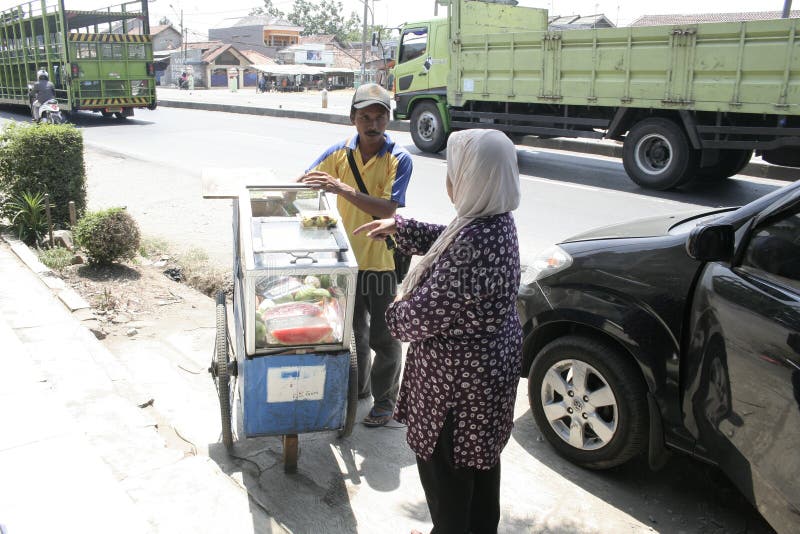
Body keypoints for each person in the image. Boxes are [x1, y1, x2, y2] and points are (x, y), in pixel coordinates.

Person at [354, 129, 522, 533]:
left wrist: (390, 309)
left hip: (456, 391)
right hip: (485, 382)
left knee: (447, 480)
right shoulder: (493, 220)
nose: (449, 181)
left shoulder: (475, 243)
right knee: (478, 469)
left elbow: (414, 320)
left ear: (472, 178)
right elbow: (448, 236)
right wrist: (402, 227)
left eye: (455, 171)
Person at [300, 83, 412, 427]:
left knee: (384, 336)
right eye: (365, 116)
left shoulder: (399, 158)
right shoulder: (338, 153)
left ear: (388, 120)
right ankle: (360, 390)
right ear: (353, 118)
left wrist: (342, 189)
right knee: (353, 335)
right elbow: (304, 182)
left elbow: (388, 209)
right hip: (345, 263)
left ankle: (386, 401)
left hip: (380, 263)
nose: (372, 124)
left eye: (379, 117)